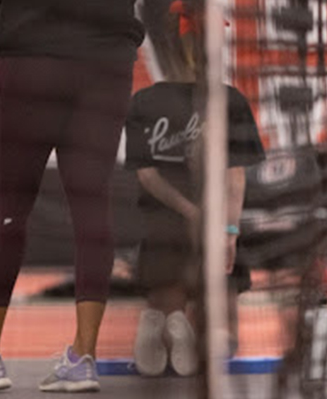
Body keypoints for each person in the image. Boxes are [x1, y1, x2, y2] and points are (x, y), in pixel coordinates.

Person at [0, 0, 145, 392]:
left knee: (7, 205)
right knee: (93, 202)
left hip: (29, 53)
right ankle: (84, 358)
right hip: (106, 59)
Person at [124, 0, 265, 376]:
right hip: (215, 227)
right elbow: (235, 178)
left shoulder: (144, 102)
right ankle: (213, 335)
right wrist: (228, 231)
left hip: (162, 231)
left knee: (164, 292)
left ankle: (163, 325)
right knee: (224, 319)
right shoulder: (228, 101)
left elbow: (147, 176)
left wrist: (188, 211)